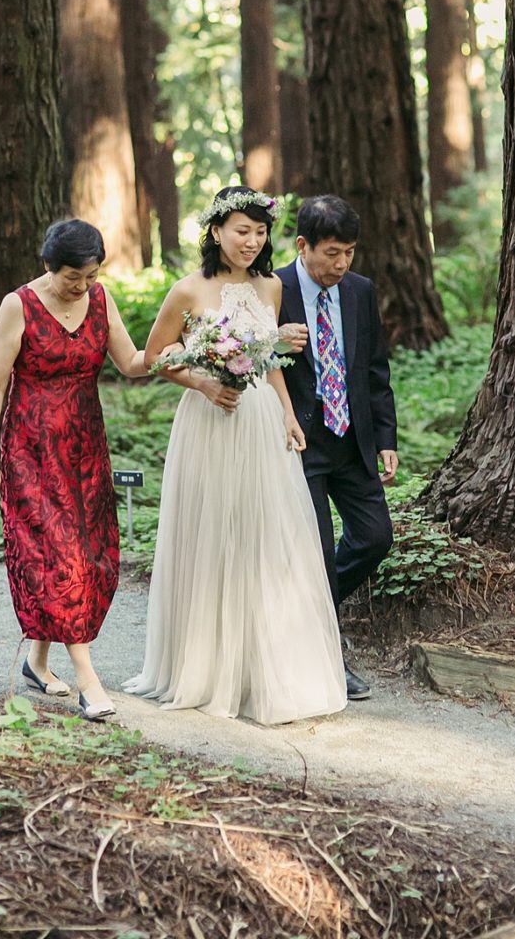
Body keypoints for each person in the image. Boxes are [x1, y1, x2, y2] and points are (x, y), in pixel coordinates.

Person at [123, 187, 347, 726]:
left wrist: (289, 414)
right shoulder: (187, 290)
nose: (252, 242)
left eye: (260, 232)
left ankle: (261, 668)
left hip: (261, 422)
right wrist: (202, 383)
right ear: (216, 232)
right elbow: (152, 359)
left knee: (266, 538)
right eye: (241, 231)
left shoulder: (270, 287)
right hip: (209, 425)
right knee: (214, 535)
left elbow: (269, 360)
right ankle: (205, 667)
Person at [0, 218, 147, 721]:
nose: (83, 286)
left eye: (91, 275)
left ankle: (37, 660)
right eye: (74, 276)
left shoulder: (100, 299)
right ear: (49, 265)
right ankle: (87, 679)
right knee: (60, 557)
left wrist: (175, 351)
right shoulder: (19, 305)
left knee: (93, 555)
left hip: (85, 448)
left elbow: (131, 361)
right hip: (30, 448)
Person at [276, 194, 399, 701]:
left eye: (349, 251)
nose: (341, 263)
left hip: (353, 441)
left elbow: (374, 368)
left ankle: (303, 617)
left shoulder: (360, 291)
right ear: (303, 246)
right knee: (319, 552)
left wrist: (387, 439)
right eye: (332, 252)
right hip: (299, 442)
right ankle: (328, 658)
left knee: (375, 538)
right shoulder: (271, 289)